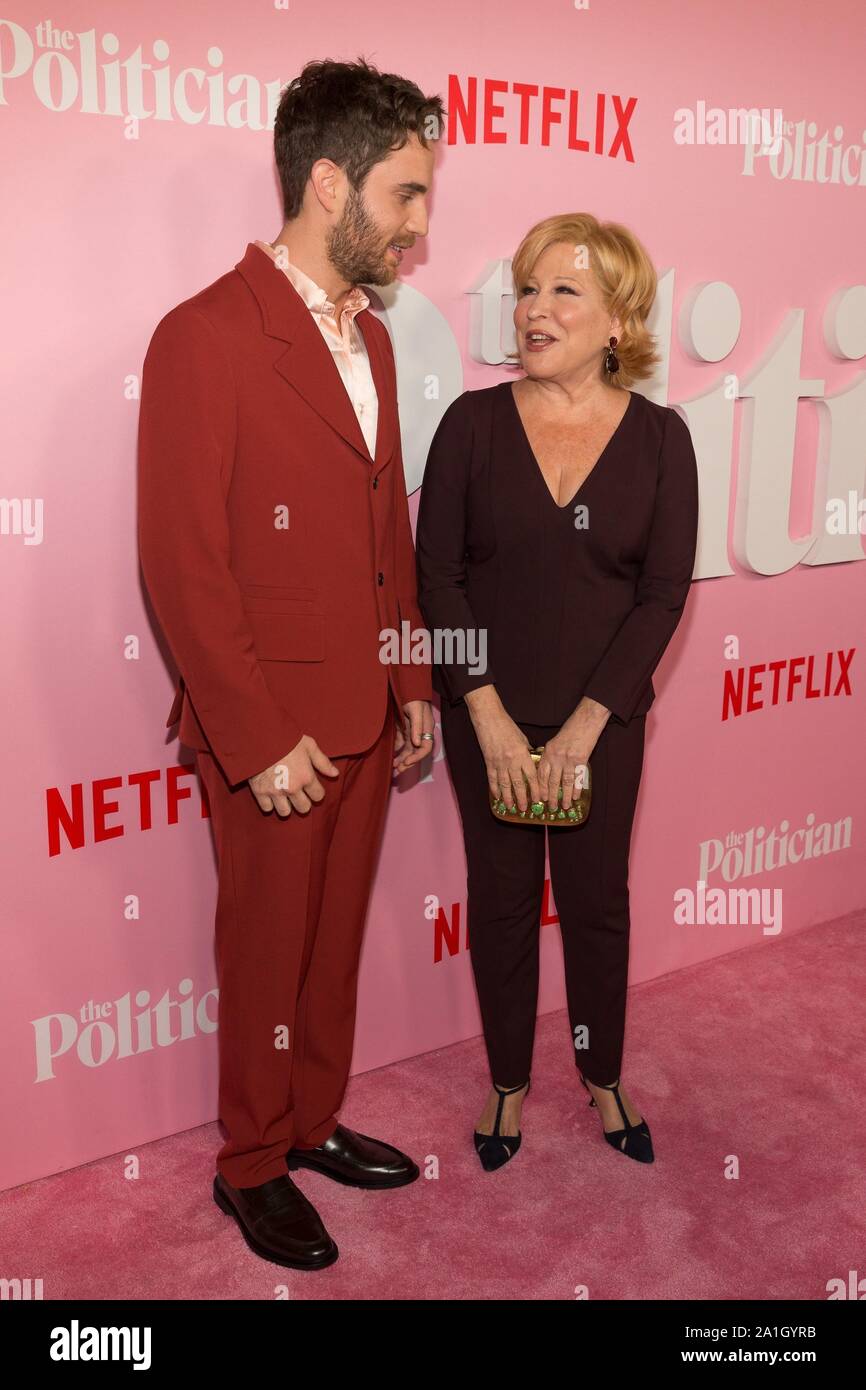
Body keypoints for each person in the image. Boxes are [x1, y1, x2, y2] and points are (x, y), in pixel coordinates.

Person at [137, 59, 442, 1268]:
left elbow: (387, 534)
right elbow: (182, 566)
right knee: (266, 949)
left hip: (365, 706)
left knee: (327, 946)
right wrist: (257, 737)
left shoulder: (368, 336)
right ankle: (251, 1161)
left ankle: (311, 1122)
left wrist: (410, 679)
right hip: (272, 725)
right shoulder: (201, 336)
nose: (420, 228)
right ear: (330, 183)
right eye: (407, 196)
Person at [415, 213, 699, 1170]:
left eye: (562, 291)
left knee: (594, 902)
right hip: (487, 715)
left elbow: (662, 597)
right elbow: (437, 578)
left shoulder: (663, 442)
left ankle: (603, 1073)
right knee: (499, 900)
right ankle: (507, 1084)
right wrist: (485, 713)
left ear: (618, 318)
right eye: (527, 288)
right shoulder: (471, 423)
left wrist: (585, 726)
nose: (533, 309)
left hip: (601, 723)